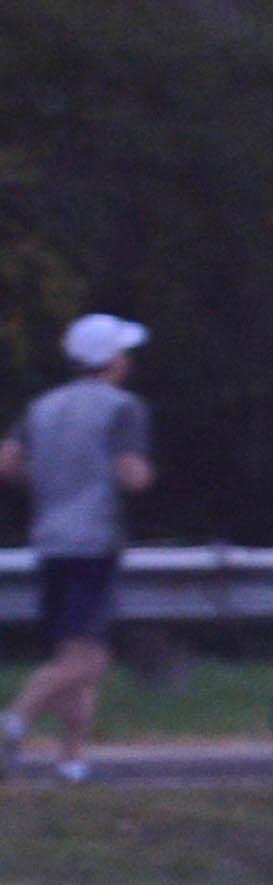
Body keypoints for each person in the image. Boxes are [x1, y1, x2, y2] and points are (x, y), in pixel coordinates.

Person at [6, 314, 154, 784]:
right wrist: (143, 476)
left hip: (51, 539)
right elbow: (132, 473)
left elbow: (6, 463)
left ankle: (71, 760)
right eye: (122, 352)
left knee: (73, 652)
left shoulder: (42, 406)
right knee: (92, 658)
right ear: (110, 359)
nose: (127, 360)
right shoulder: (123, 407)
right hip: (95, 540)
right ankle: (14, 719)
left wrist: (46, 485)